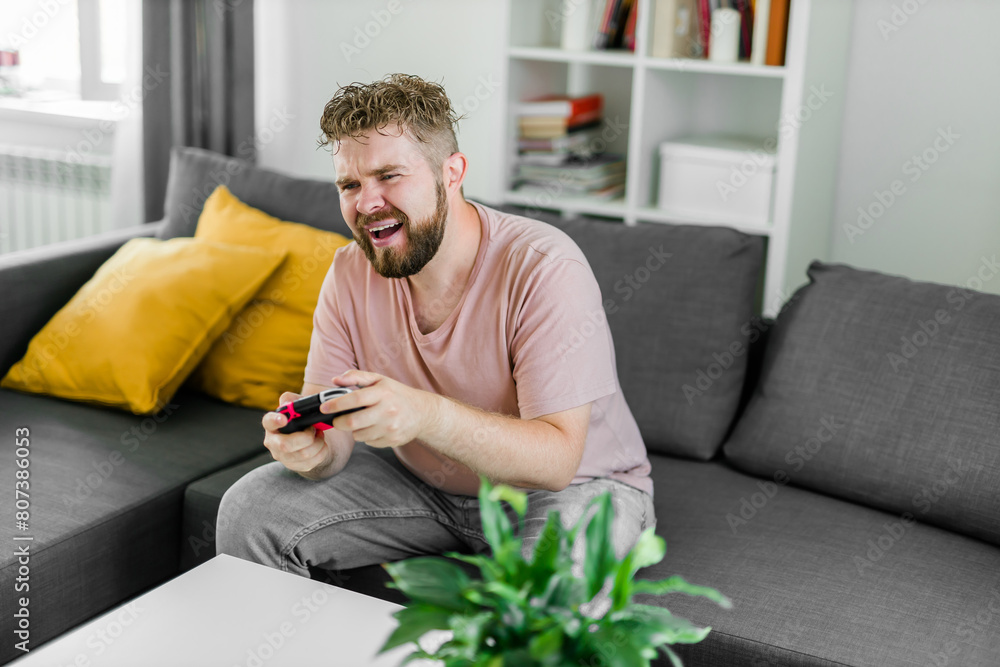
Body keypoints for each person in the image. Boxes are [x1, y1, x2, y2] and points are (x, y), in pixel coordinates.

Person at [216, 73, 653, 582]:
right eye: (350, 184)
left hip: (575, 488)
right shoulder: (349, 272)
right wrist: (311, 451)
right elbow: (328, 428)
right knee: (250, 510)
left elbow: (557, 460)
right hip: (425, 487)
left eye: (389, 175)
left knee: (541, 598)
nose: (366, 202)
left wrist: (425, 416)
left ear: (452, 173)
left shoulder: (544, 267)